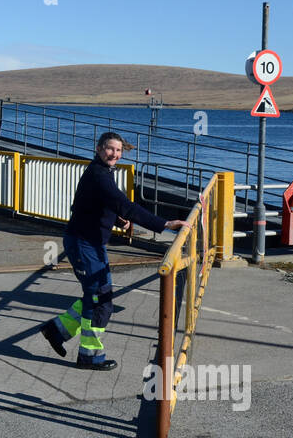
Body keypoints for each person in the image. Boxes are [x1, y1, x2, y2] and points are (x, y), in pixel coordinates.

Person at [39, 132, 186, 370]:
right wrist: (164, 224)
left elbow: (86, 205)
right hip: (83, 244)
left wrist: (117, 220)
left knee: (96, 295)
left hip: (90, 244)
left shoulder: (101, 172)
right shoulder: (99, 175)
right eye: (110, 149)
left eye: (118, 151)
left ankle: (57, 330)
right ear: (98, 149)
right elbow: (123, 204)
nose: (114, 154)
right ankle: (89, 355)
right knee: (100, 301)